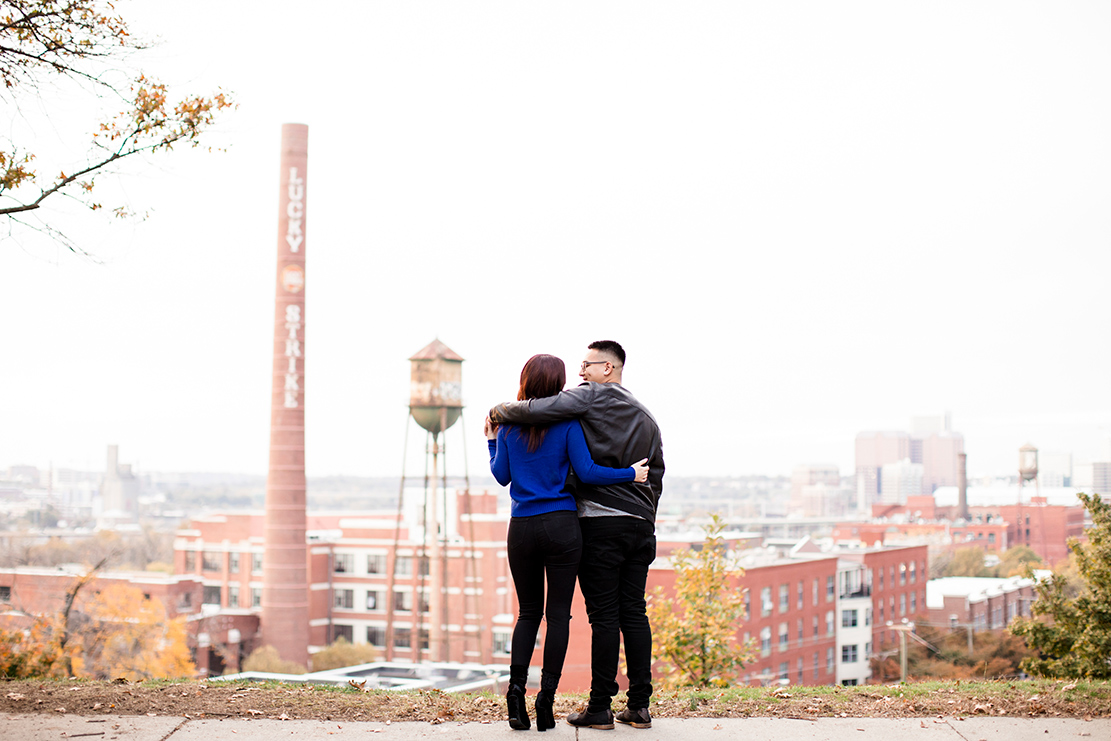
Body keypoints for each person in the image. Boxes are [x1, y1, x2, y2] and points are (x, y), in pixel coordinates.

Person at [491, 340, 664, 731]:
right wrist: (644, 515)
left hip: (595, 524)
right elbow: (657, 472)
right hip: (636, 524)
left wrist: (498, 416)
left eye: (587, 364)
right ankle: (637, 706)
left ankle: (597, 707)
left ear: (609, 368)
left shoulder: (584, 401)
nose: (581, 372)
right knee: (632, 612)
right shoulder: (646, 415)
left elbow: (534, 418)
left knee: (598, 616)